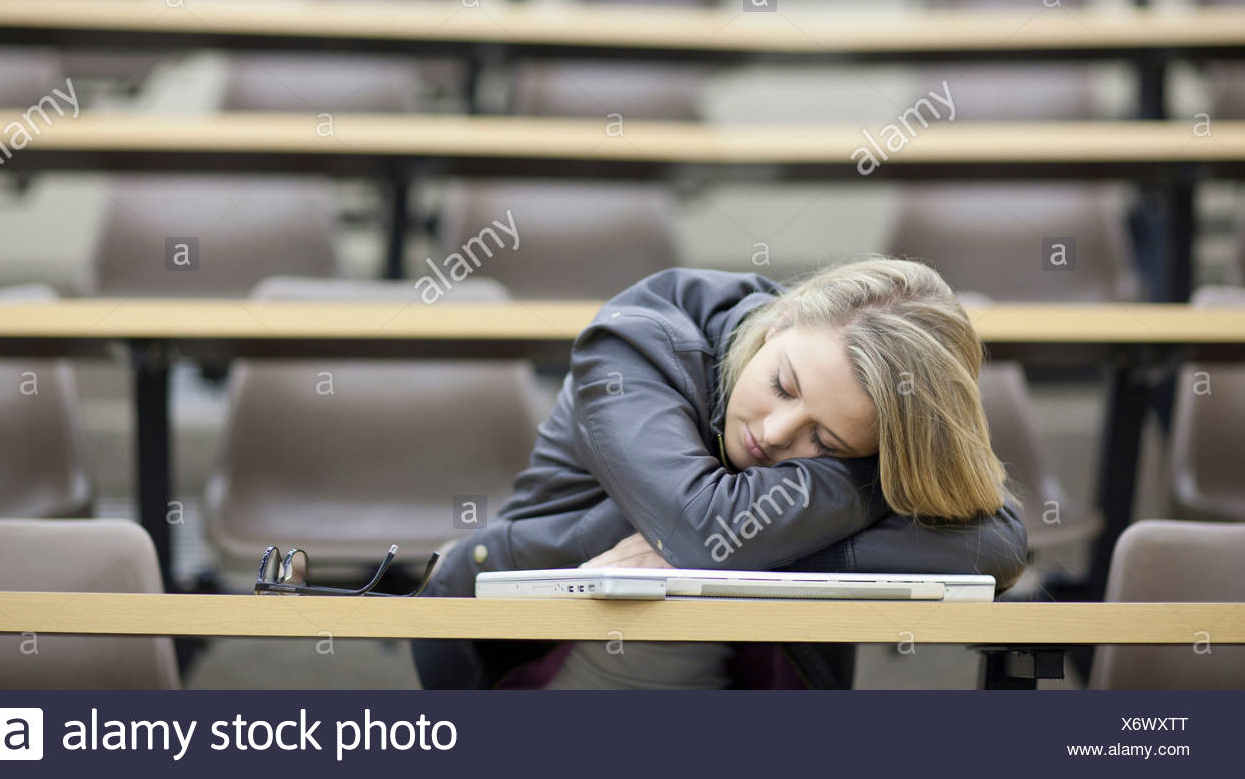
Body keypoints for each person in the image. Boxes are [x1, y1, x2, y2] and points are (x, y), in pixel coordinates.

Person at [413, 258, 1028, 689]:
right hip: (548, 667)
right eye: (782, 385)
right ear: (780, 323)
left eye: (826, 439)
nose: (777, 433)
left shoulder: (862, 435)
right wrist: (869, 480)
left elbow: (996, 543)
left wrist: (791, 542)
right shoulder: (634, 340)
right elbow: (703, 529)